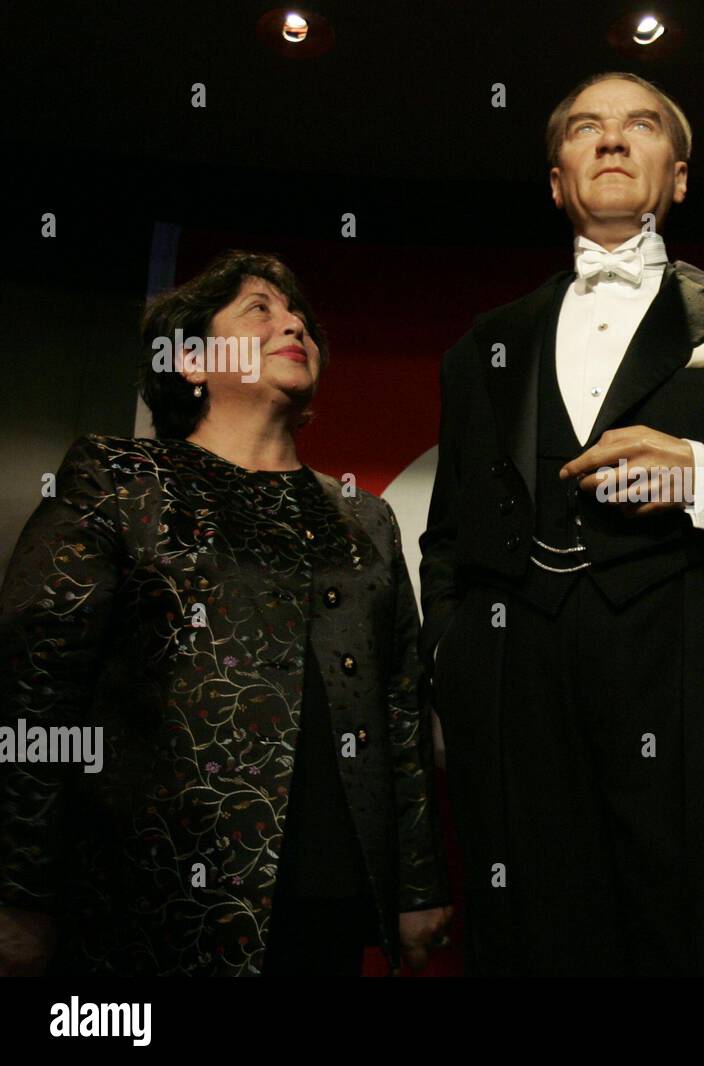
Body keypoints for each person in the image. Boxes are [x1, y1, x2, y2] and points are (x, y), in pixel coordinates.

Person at [418, 72, 704, 976]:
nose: (610, 138)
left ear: (677, 177)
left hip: (702, 706)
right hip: (522, 721)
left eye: (639, 125)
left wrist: (703, 472)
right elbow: (451, 541)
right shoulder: (483, 344)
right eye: (585, 127)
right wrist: (462, 665)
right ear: (557, 181)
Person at [0, 250, 452, 975]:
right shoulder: (119, 479)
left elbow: (400, 714)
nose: (293, 322)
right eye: (259, 310)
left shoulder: (367, 521)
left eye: (298, 313)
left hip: (327, 893)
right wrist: (17, 894)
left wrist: (417, 885)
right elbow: (34, 691)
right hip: (149, 896)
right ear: (190, 362)